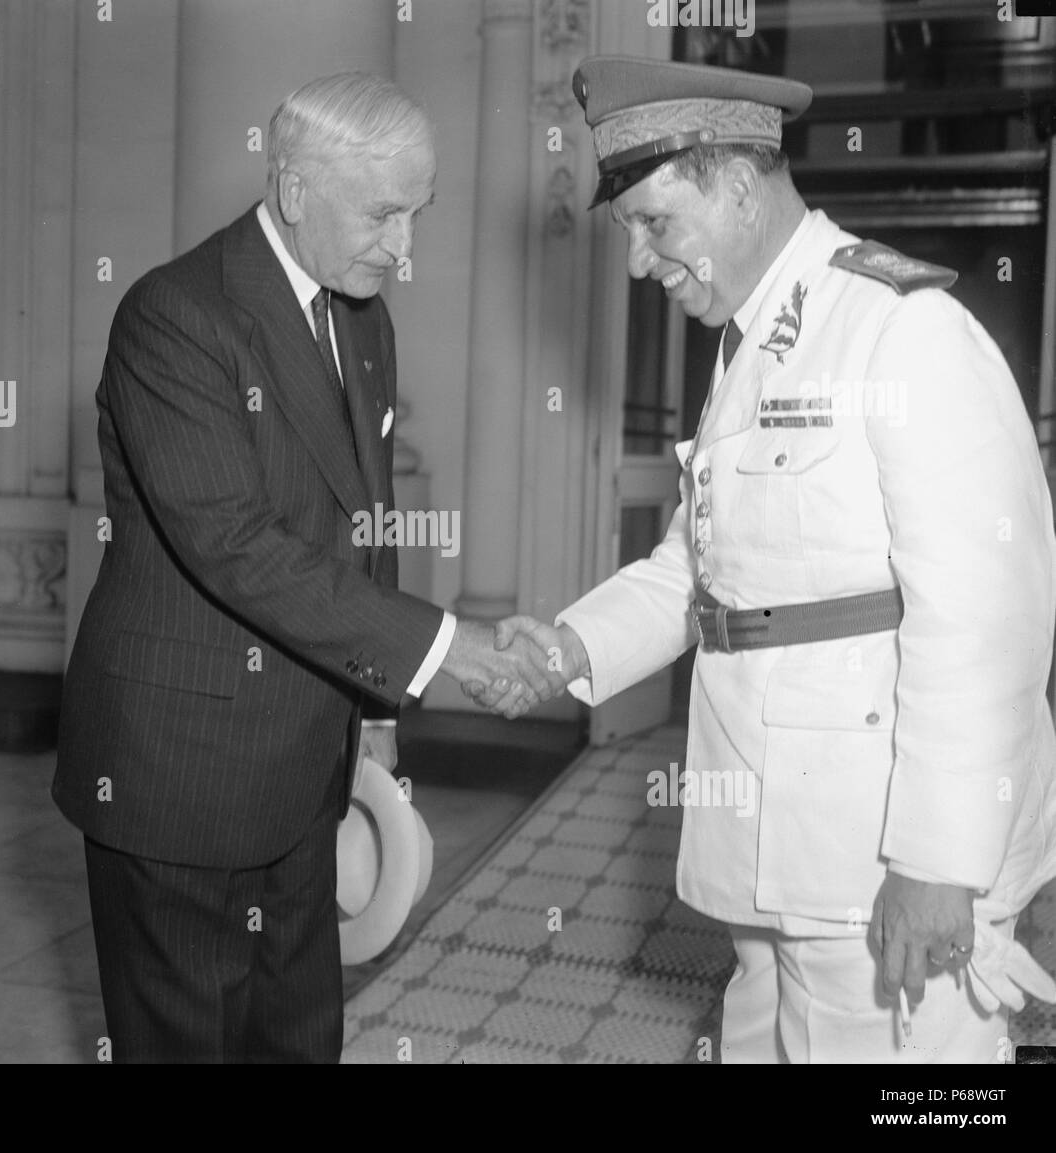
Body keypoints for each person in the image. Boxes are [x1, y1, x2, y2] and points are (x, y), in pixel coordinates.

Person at [486, 54, 1056, 1062]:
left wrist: (938, 860)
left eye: (654, 225)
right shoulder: (751, 345)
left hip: (878, 859)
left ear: (739, 186)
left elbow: (985, 617)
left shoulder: (899, 331)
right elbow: (700, 566)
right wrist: (568, 650)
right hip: (771, 845)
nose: (637, 264)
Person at [52, 72, 564, 1064]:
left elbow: (362, 525)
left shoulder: (362, 316)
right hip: (178, 774)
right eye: (384, 216)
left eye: (419, 216)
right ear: (294, 191)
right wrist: (447, 648)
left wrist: (371, 722)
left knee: (297, 1037)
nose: (405, 249)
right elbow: (236, 548)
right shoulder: (176, 316)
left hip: (304, 762)